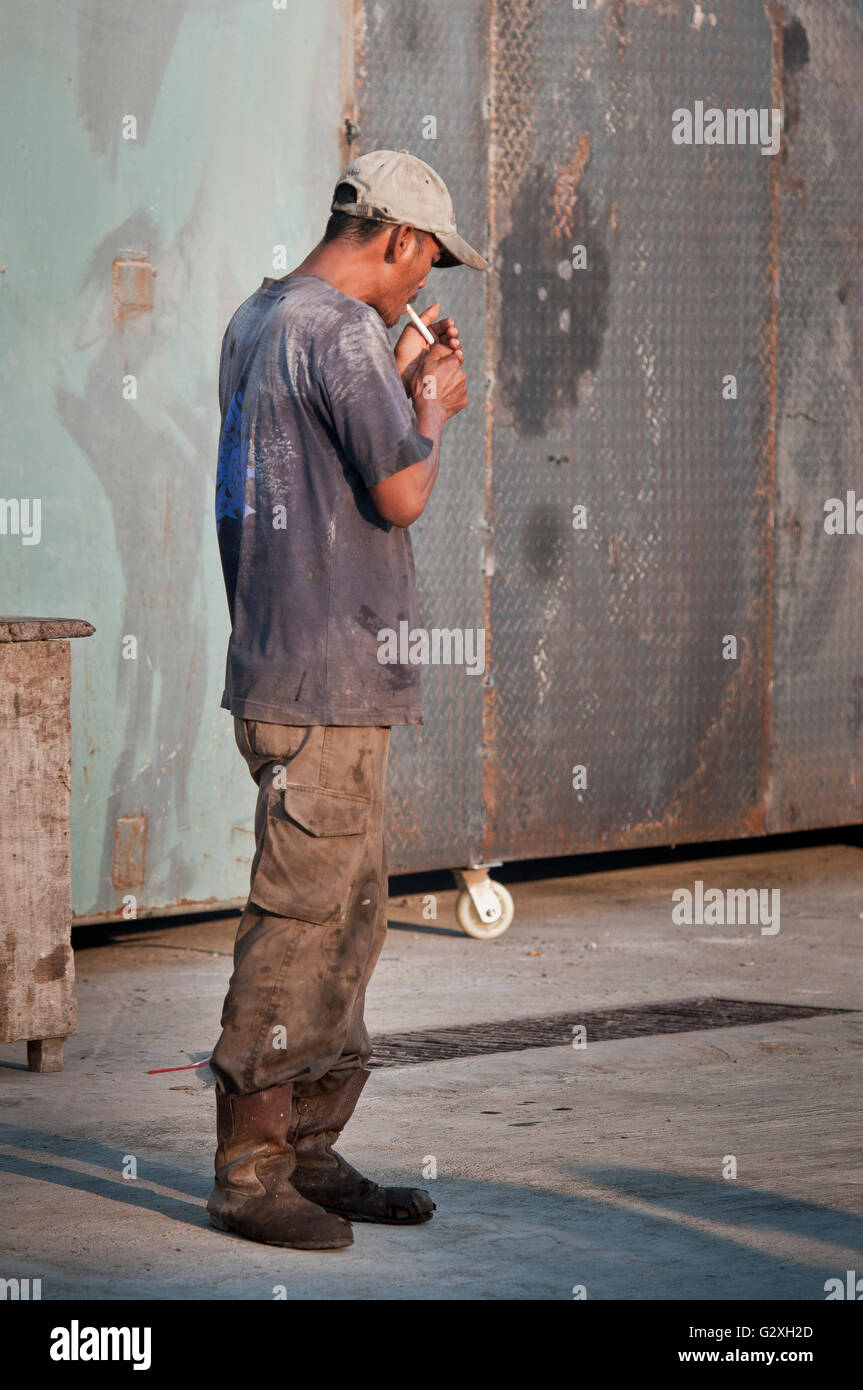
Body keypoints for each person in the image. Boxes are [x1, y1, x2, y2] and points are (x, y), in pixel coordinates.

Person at [208, 149, 488, 1249]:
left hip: (303, 667)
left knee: (345, 923)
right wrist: (432, 400)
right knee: (298, 929)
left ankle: (310, 1153)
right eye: (428, 266)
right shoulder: (335, 333)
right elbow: (402, 490)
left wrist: (397, 374)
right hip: (320, 677)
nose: (425, 290)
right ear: (398, 239)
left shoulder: (262, 316)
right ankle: (251, 1171)